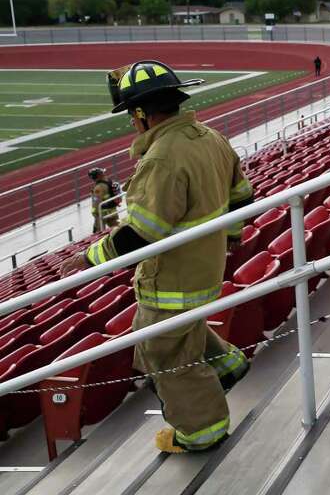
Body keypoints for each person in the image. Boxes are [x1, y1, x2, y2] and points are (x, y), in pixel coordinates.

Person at [60, 60, 255, 453]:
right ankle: (227, 366)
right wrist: (231, 237)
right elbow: (242, 194)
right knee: (181, 332)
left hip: (174, 279)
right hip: (207, 267)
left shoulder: (161, 159)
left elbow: (141, 233)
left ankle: (201, 432)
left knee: (162, 351)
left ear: (141, 116)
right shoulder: (210, 137)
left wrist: (88, 260)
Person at [88, 167, 121, 232]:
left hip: (103, 213)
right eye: (102, 173)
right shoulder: (109, 181)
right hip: (113, 211)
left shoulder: (99, 187)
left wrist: (95, 213)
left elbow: (97, 203)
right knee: (117, 230)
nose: (103, 174)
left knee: (98, 233)